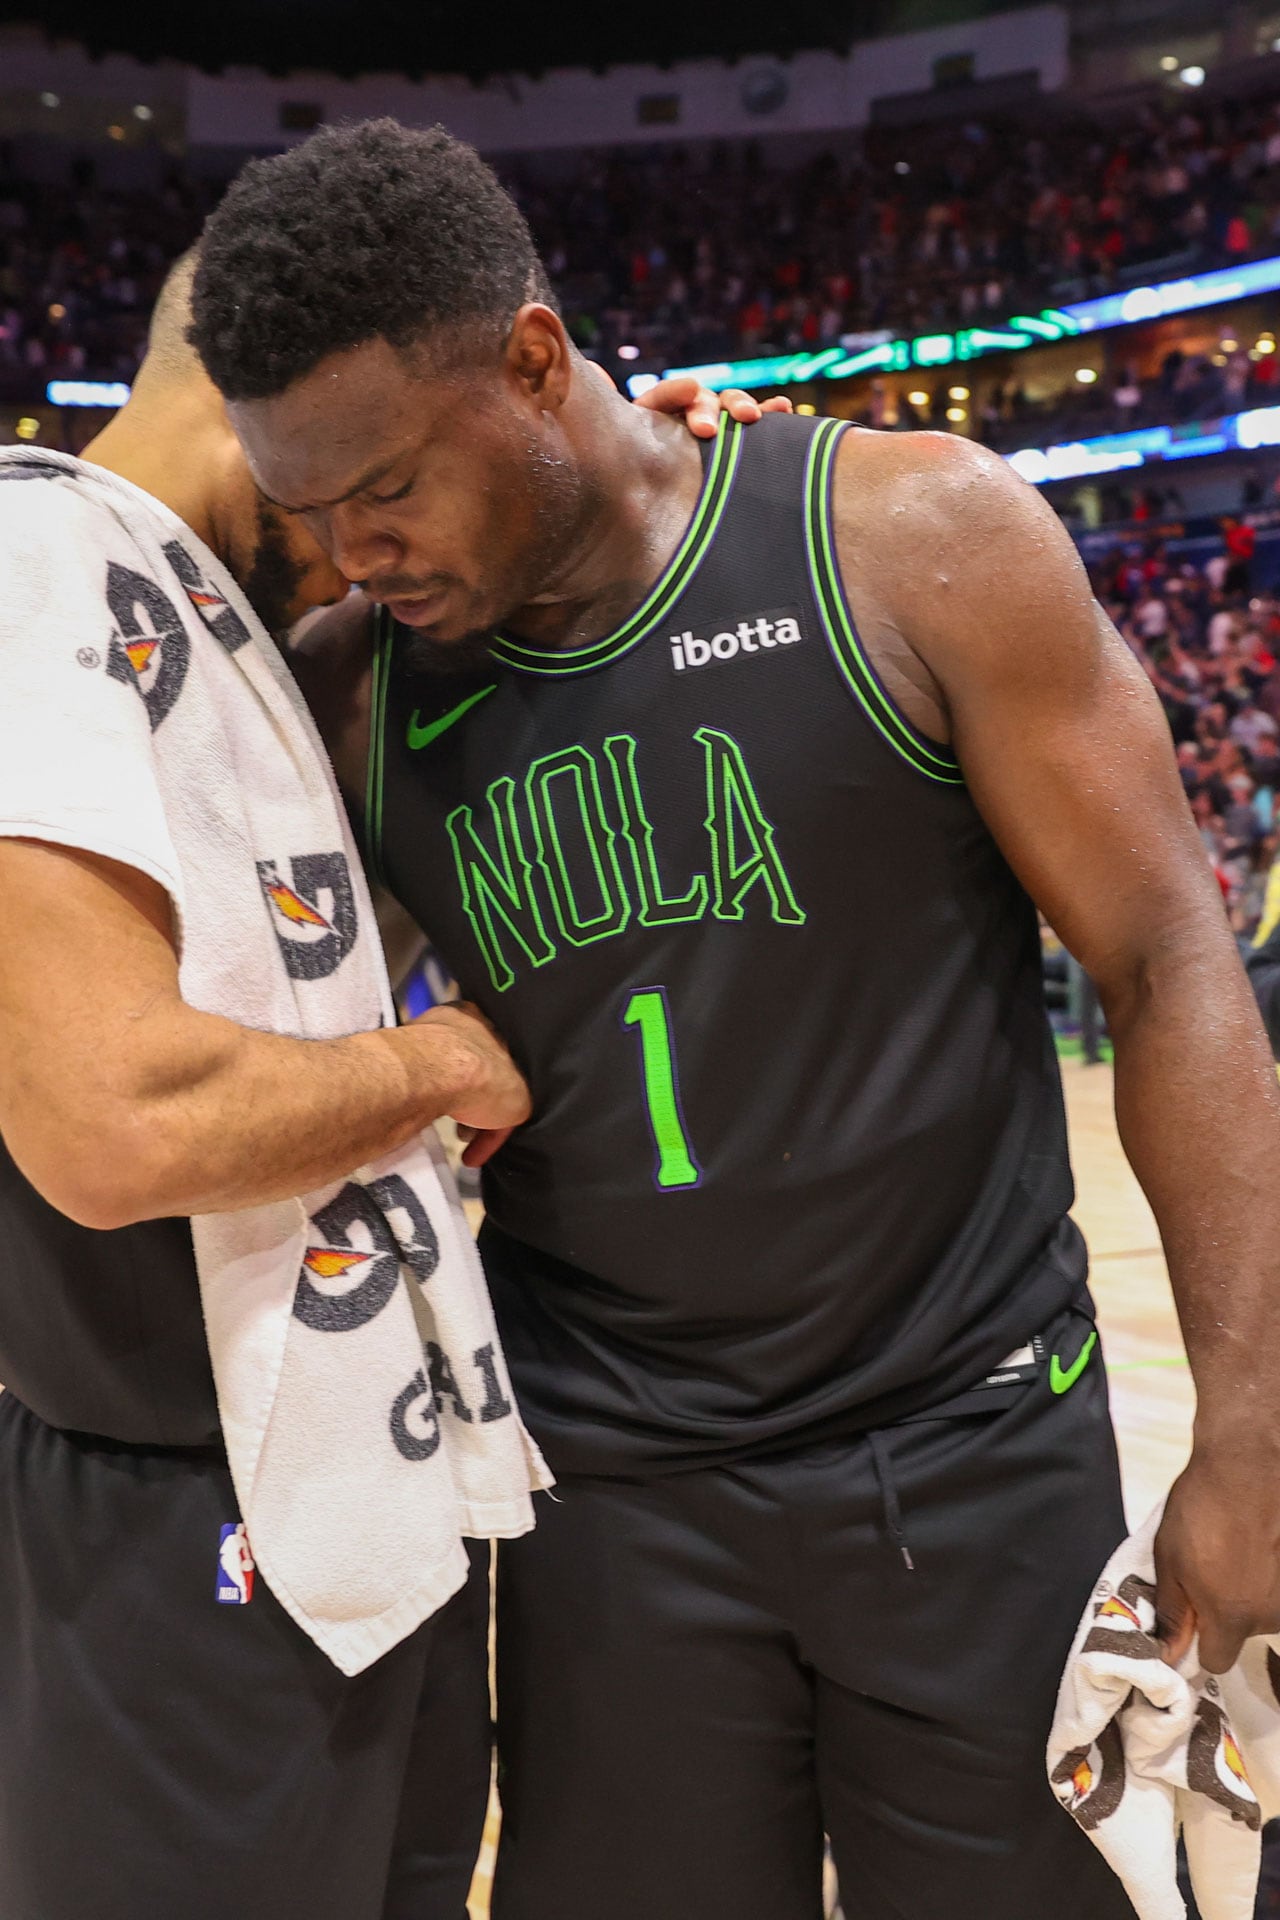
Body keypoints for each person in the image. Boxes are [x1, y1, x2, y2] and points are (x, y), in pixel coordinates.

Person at [191, 119, 1280, 1920]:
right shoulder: (355, 696)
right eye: (304, 511)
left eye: (384, 486)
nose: (351, 549)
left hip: (974, 1443)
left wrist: (1250, 1425)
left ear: (533, 360)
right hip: (610, 1490)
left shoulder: (909, 542)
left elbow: (1172, 962)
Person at [0, 247, 768, 1920]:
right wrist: (437, 1061)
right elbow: (112, 1123)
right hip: (181, 1496)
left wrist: (628, 498)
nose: (363, 546)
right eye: (352, 486)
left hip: (358, 1478)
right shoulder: (33, 556)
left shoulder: (219, 615)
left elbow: (325, 948)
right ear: (265, 391)